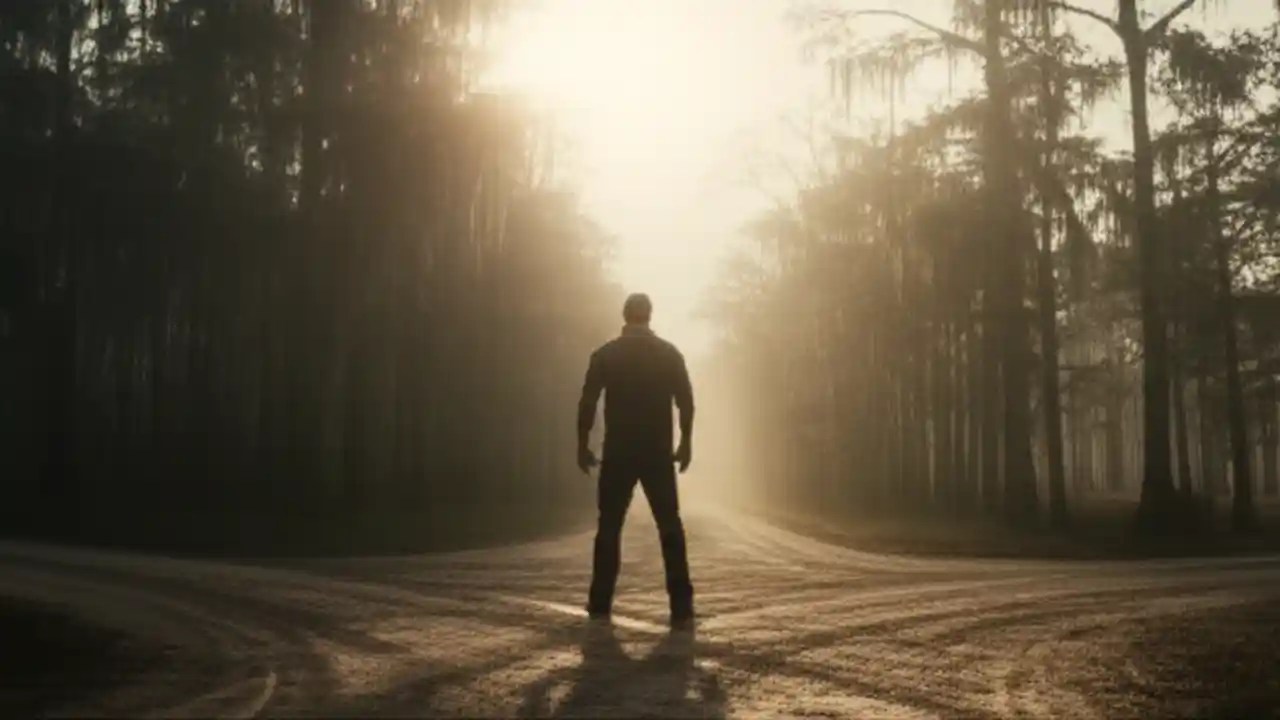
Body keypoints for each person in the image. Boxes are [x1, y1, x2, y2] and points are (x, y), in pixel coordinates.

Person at [577, 293, 695, 627]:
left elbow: (587, 402)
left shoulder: (605, 355)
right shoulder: (669, 354)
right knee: (669, 524)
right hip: (656, 451)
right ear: (650, 315)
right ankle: (681, 604)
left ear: (625, 315)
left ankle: (600, 601)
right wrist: (685, 443)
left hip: (619, 451)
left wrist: (581, 444)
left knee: (609, 526)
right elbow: (685, 401)